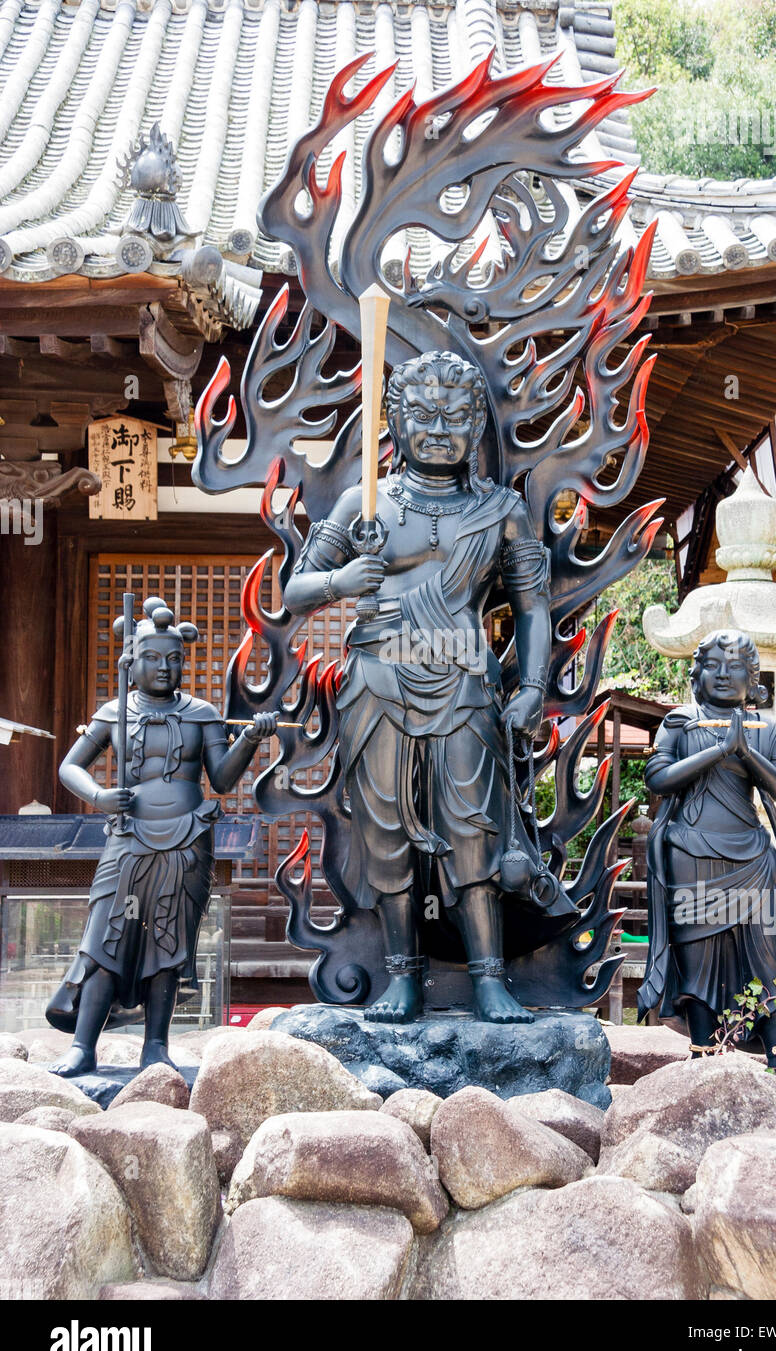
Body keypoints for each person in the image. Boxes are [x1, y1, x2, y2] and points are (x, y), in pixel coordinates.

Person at [283, 349, 564, 1023]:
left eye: (456, 415)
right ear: (395, 422)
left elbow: (532, 605)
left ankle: (490, 977)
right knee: (385, 831)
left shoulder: (500, 510)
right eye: (422, 414)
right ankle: (403, 976)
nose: (438, 428)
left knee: (474, 827)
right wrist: (340, 583)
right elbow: (294, 591)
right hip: (377, 684)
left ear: (476, 426)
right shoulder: (364, 503)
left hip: (465, 683)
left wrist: (530, 685)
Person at [46, 598, 276, 1076]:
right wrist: (100, 796)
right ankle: (83, 1046)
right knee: (107, 933)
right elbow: (70, 766)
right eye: (153, 657)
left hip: (188, 838)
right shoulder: (115, 712)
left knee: (169, 941)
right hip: (130, 836)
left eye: (174, 658)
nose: (166, 667)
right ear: (132, 660)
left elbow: (224, 778)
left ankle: (156, 1044)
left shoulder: (202, 713)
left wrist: (251, 739)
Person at [638, 629, 776, 1069]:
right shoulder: (679, 723)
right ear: (696, 675)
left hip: (752, 858)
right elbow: (658, 779)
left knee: (766, 951)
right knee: (697, 956)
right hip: (691, 853)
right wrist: (719, 749)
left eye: (735, 666)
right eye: (713, 666)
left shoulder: (765, 729)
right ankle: (704, 1048)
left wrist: (746, 752)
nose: (723, 674)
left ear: (752, 680)